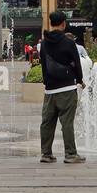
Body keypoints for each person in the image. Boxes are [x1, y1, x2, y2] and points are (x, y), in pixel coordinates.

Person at [38, 11, 85, 164]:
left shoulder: (44, 43)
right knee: (67, 123)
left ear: (51, 23)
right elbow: (77, 64)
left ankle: (46, 154)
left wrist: (47, 83)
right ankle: (70, 154)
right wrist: (79, 79)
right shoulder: (68, 42)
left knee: (47, 123)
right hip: (66, 88)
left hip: (50, 90)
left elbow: (44, 65)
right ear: (64, 23)